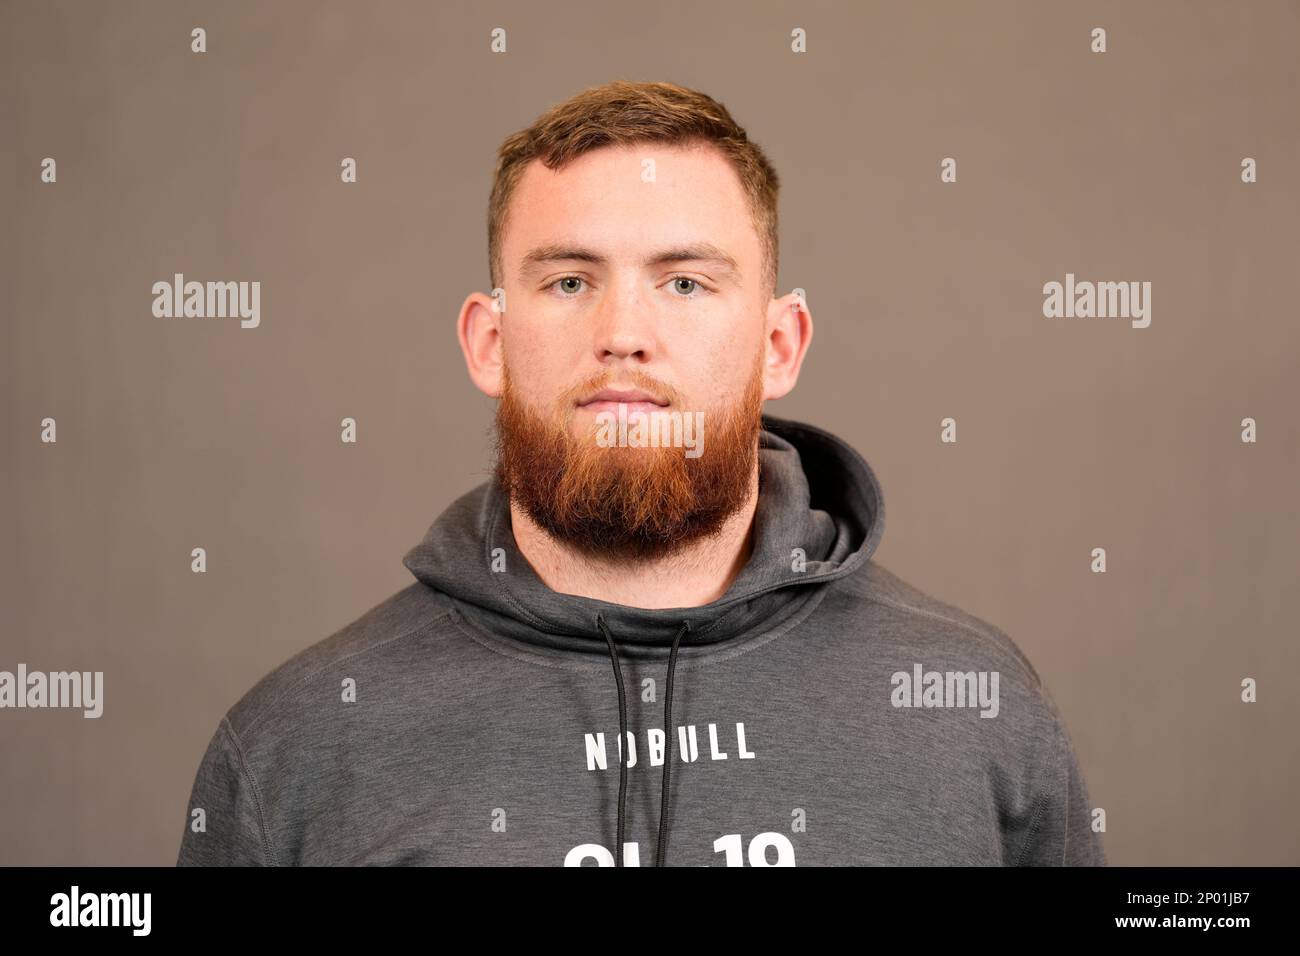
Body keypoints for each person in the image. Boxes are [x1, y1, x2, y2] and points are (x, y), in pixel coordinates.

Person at [177, 80, 1105, 866]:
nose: (624, 335)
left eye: (686, 282)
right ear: (489, 342)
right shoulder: (300, 749)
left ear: (779, 344)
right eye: (570, 282)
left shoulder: (970, 705)